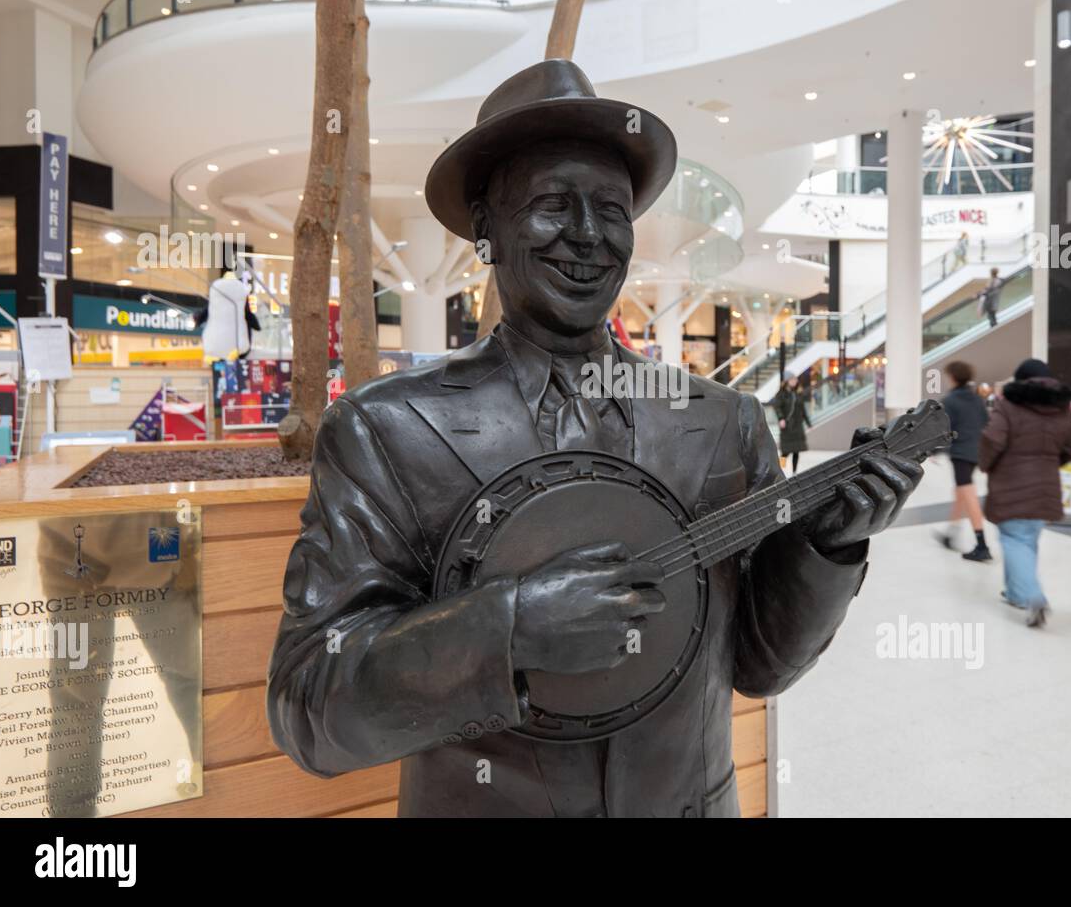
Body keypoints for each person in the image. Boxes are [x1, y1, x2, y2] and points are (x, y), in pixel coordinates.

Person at [266, 59, 923, 817]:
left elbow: (759, 664)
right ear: (486, 229)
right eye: (553, 204)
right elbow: (308, 704)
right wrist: (504, 631)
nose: (587, 235)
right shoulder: (388, 429)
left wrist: (825, 547)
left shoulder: (719, 421)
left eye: (611, 208)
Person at [979, 358, 1071, 627]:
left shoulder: (1009, 404)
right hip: (1045, 484)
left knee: (1014, 539)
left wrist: (986, 464)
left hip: (1010, 483)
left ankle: (1033, 596)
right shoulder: (1059, 408)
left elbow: (993, 438)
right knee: (1027, 540)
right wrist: (1051, 461)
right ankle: (1016, 593)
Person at [937, 360, 990, 561]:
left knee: (968, 495)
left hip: (961, 454)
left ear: (952, 377)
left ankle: (982, 544)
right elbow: (986, 423)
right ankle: (951, 535)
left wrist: (936, 450)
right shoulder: (977, 399)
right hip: (976, 452)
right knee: (961, 492)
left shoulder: (950, 401)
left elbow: (944, 430)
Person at [773, 371, 812, 473]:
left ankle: (794, 472)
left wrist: (808, 423)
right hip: (787, 427)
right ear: (786, 381)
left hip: (797, 427)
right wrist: (781, 418)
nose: (795, 381)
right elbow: (777, 407)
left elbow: (803, 410)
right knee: (785, 452)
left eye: (795, 379)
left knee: (796, 451)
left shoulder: (798, 394)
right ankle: (780, 470)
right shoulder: (781, 394)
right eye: (792, 379)